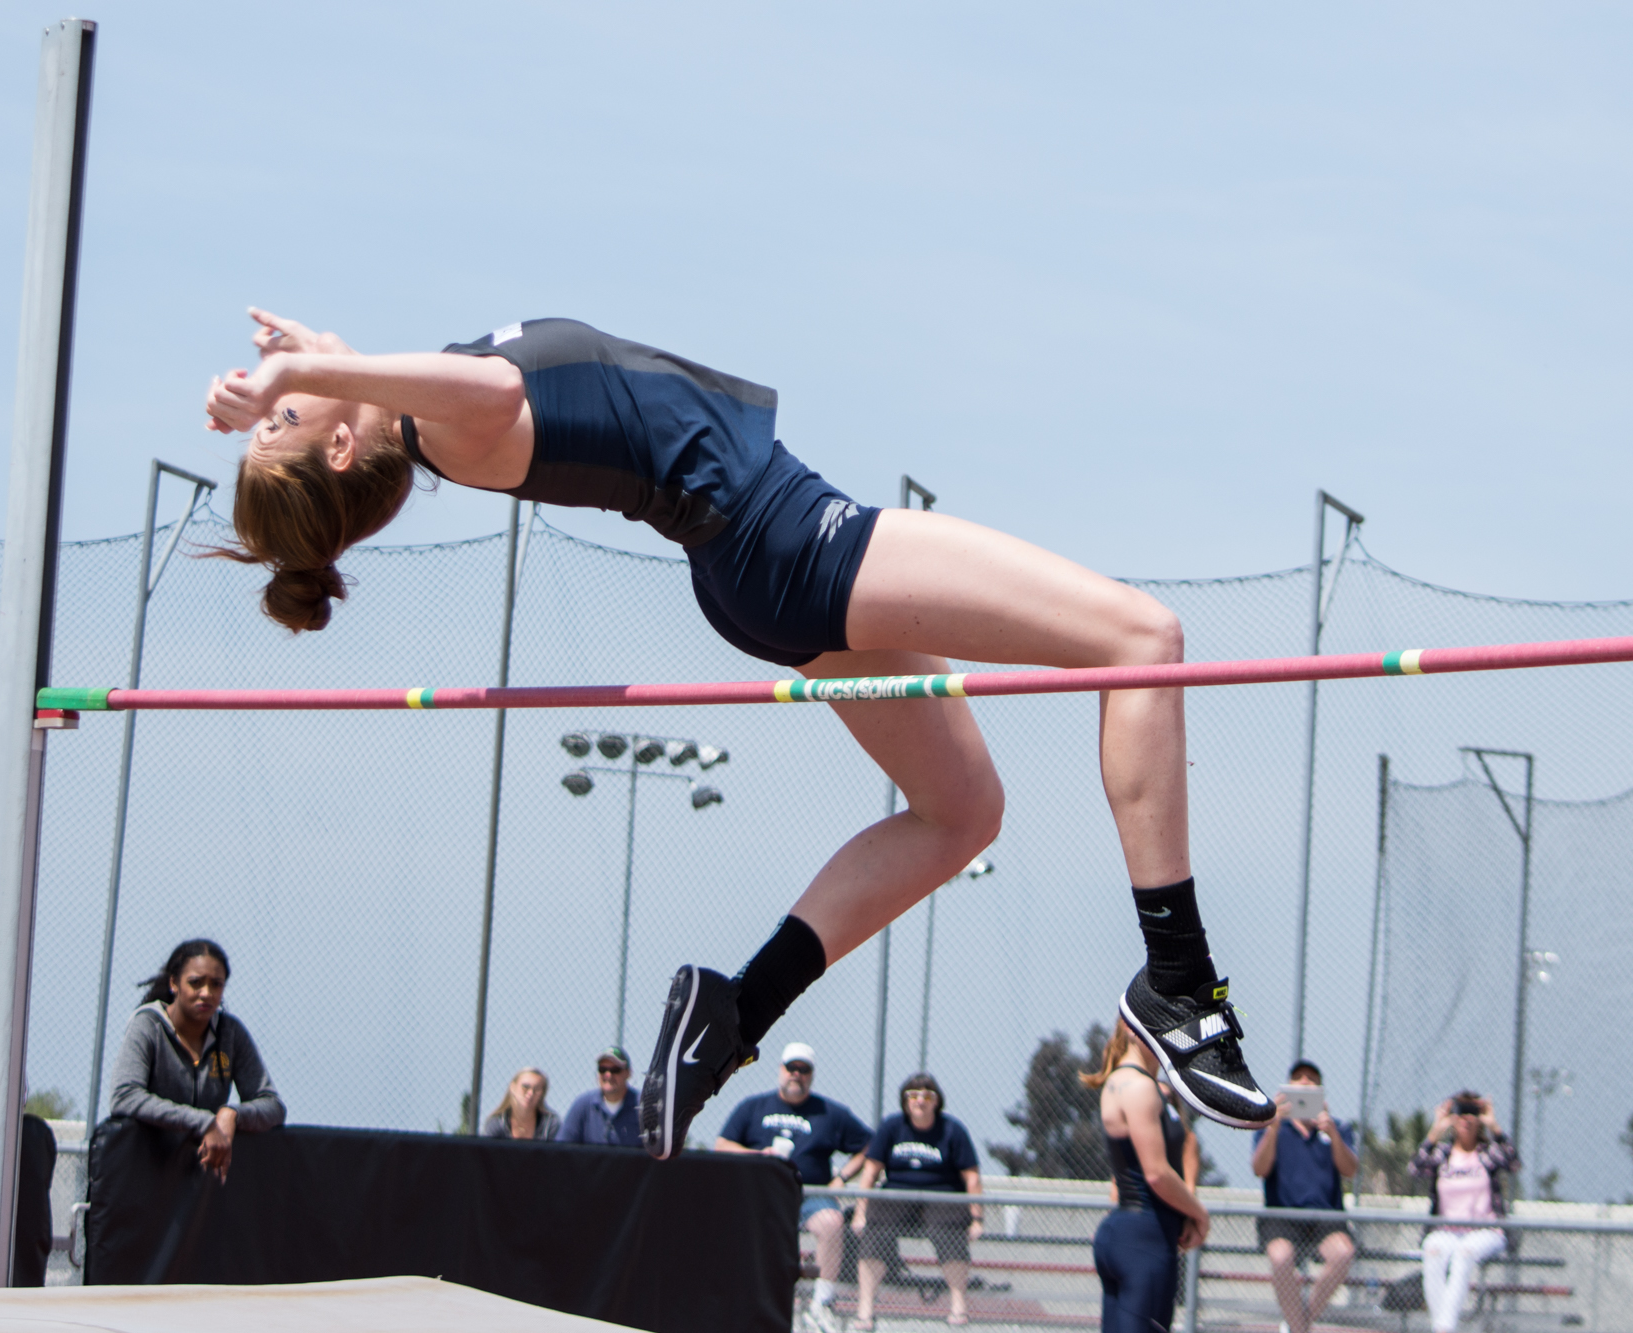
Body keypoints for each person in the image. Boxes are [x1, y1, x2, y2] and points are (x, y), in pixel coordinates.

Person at [202, 309, 1275, 1160]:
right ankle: (1179, 980)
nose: (278, 400)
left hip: (756, 553)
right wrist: (300, 380)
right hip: (786, 541)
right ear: (343, 440)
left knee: (961, 812)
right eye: (281, 420)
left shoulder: (411, 410)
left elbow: (362, 368)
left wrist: (307, 359)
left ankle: (731, 1014)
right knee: (1143, 637)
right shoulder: (453, 422)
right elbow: (485, 385)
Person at [715, 1043, 870, 1332]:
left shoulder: (830, 1113)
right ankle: (744, 1296)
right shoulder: (754, 1106)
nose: (796, 1074)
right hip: (762, 1195)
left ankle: (821, 1304)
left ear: (811, 1075)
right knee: (737, 1225)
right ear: (780, 1070)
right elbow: (722, 1145)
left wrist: (842, 1178)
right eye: (791, 1068)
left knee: (832, 1222)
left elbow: (870, 1145)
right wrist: (759, 1157)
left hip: (809, 1194)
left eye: (804, 1069)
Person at [110, 939, 285, 1182]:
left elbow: (273, 1105)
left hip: (200, 1191)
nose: (206, 993)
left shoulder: (231, 1033)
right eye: (195, 983)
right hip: (143, 1180)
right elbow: (125, 1096)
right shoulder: (148, 1026)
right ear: (174, 983)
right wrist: (203, 1122)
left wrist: (231, 1114)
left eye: (216, 984)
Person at [1081, 1019, 1210, 1333]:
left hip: (1126, 1234)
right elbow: (1156, 1174)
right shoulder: (1139, 1087)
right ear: (1131, 1029)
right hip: (1144, 1238)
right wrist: (1199, 1214)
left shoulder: (1128, 1082)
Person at [852, 1073, 985, 1328]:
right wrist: (860, 1213)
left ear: (937, 1101)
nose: (920, 1101)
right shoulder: (892, 1126)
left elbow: (972, 1178)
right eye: (913, 1095)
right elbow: (870, 1172)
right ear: (905, 1101)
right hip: (897, 1193)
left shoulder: (952, 1130)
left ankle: (958, 1305)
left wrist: (977, 1218)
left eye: (927, 1096)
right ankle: (865, 1308)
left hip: (941, 1195)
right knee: (875, 1230)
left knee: (950, 1233)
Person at [1251, 1059, 1357, 1333]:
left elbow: (1350, 1170)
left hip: (1325, 1217)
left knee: (1343, 1253)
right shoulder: (1271, 1126)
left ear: (1321, 1089)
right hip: (1282, 1215)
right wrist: (1273, 1127)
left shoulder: (1338, 1128)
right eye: (1299, 1078)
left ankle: (1298, 1325)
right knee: (1280, 1257)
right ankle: (1300, 1327)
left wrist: (1332, 1133)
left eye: (1312, 1079)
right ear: (1288, 1087)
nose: (1305, 1083)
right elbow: (1259, 1169)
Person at [1409, 1091, 1521, 1333]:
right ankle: (1442, 1327)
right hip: (1448, 1230)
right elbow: (1414, 1168)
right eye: (1461, 1113)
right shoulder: (1443, 1154)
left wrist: (1494, 1126)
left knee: (1464, 1254)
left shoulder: (1486, 1153)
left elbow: (1513, 1163)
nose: (1466, 1119)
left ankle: (1443, 1328)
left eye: (1473, 1113)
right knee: (1432, 1250)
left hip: (1485, 1230)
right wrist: (1436, 1130)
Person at [555, 1046, 642, 1147]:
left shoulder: (642, 1105)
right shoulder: (583, 1105)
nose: (608, 1075)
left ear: (628, 1073)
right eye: (602, 1069)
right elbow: (562, 1148)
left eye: (615, 1070)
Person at [481, 1067, 560, 1140]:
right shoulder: (497, 1123)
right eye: (525, 1087)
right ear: (513, 1087)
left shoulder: (550, 1124)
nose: (530, 1093)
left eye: (537, 1089)